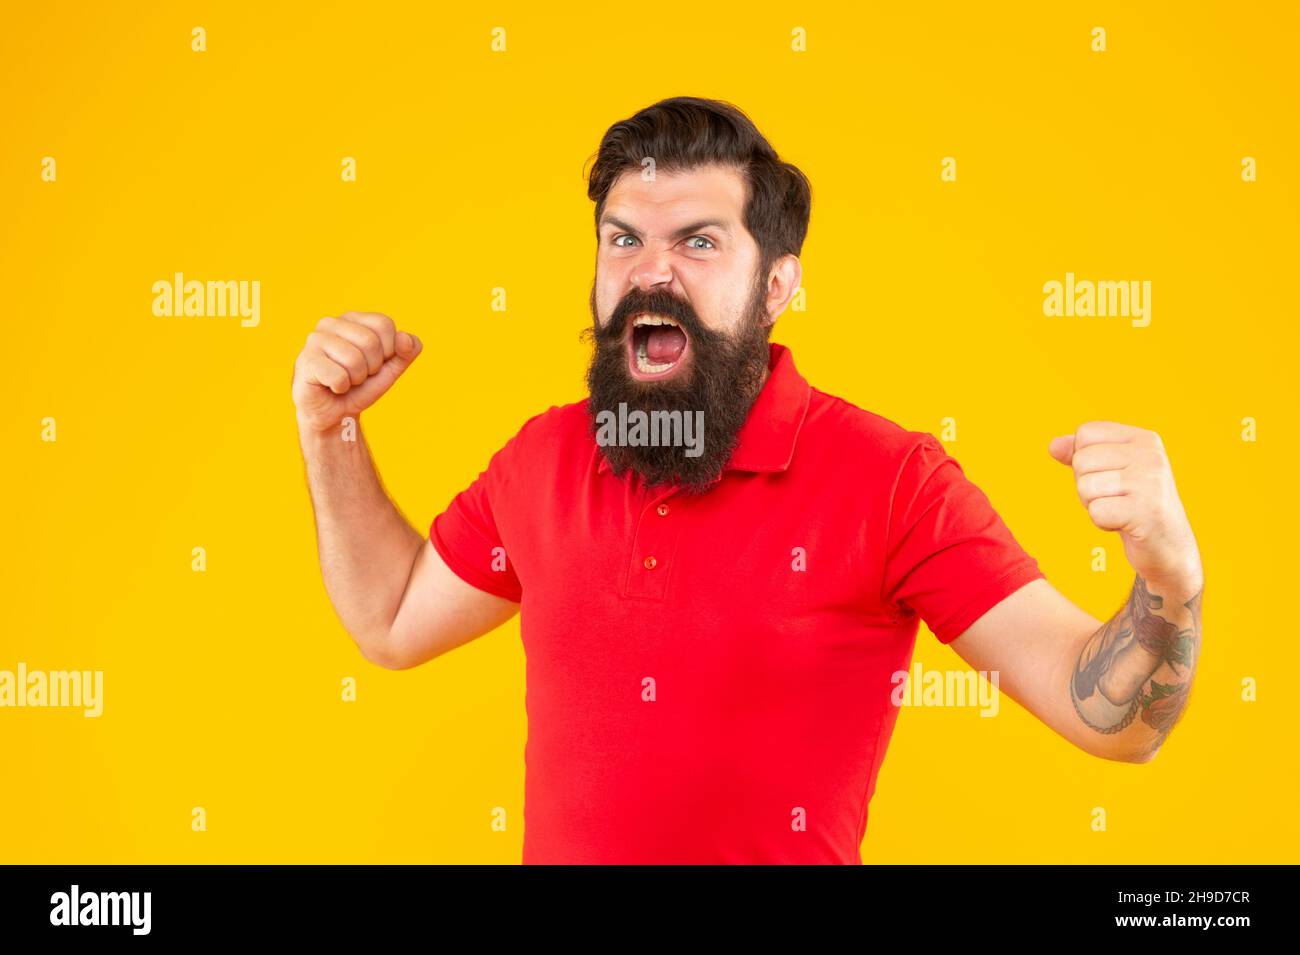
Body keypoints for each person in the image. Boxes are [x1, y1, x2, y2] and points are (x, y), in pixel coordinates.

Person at [292, 96, 1205, 864]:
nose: (650, 272)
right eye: (623, 240)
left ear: (776, 285)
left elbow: (1116, 721)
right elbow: (392, 618)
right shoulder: (546, 456)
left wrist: (1168, 580)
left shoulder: (894, 482)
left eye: (697, 242)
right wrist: (331, 432)